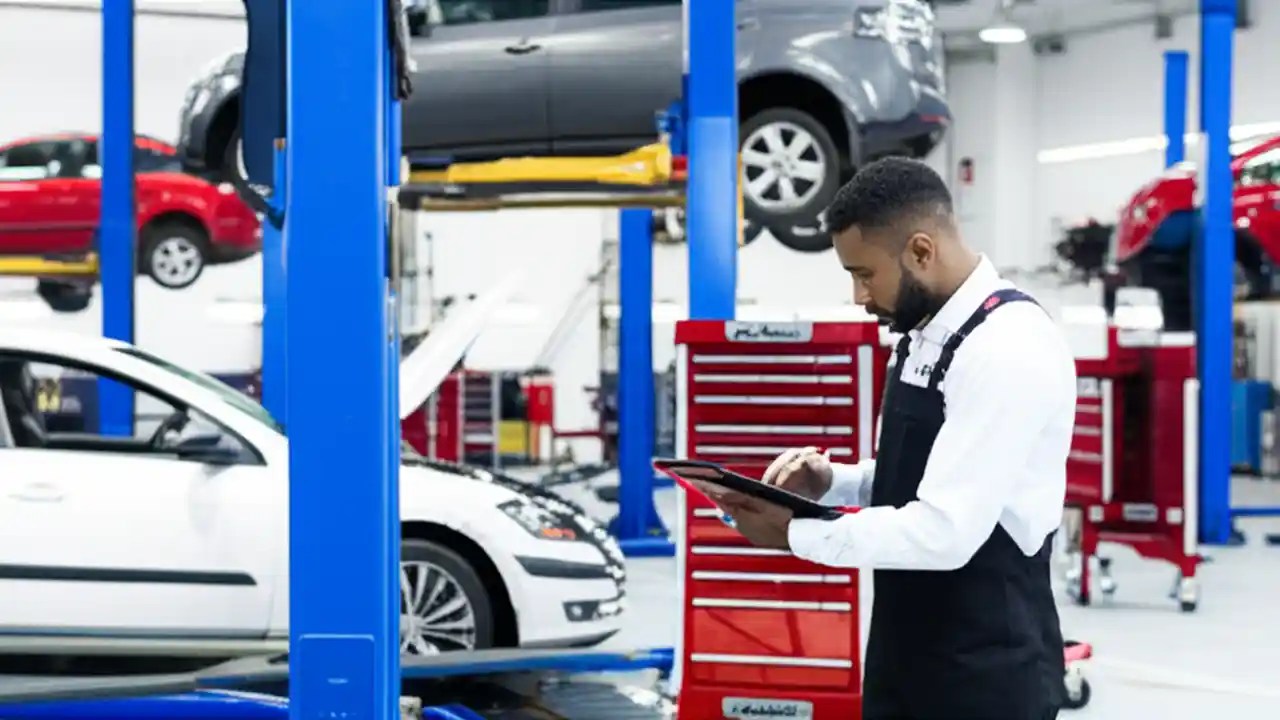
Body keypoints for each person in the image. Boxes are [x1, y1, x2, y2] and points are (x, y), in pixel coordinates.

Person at [694, 157, 1077, 719]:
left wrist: (794, 535)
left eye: (865, 274)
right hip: (908, 650)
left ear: (921, 251)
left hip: (986, 670)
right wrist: (833, 482)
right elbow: (923, 478)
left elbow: (946, 530)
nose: (858, 296)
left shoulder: (1007, 348)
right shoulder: (923, 336)